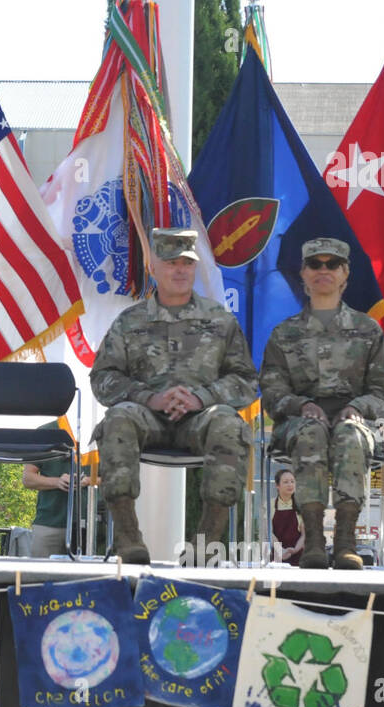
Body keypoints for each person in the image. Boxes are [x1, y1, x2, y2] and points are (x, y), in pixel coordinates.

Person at [90, 228, 259, 565]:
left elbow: (245, 380)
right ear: (153, 266)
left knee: (229, 424)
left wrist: (202, 397)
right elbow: (103, 377)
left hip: (201, 419)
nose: (180, 270)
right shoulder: (130, 321)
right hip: (147, 417)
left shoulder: (219, 320)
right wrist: (149, 398)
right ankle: (128, 539)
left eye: (187, 262)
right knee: (118, 418)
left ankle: (205, 544)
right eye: (171, 262)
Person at [260, 238, 384, 570]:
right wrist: (302, 405)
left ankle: (346, 542)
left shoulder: (368, 331)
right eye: (315, 264)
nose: (324, 270)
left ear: (345, 275)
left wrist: (358, 408)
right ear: (303, 275)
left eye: (332, 264)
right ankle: (315, 543)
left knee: (350, 435)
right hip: (299, 422)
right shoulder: (284, 334)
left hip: (354, 421)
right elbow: (271, 390)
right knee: (311, 432)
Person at [22, 420, 93, 558]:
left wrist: (88, 481)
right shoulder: (44, 432)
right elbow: (28, 479)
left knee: (87, 577)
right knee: (40, 575)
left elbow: (115, 477)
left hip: (90, 527)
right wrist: (58, 482)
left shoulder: (99, 431)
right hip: (49, 523)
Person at [270, 468, 306, 565]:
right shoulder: (270, 504)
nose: (290, 485)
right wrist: (280, 550)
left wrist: (294, 550)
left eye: (292, 481)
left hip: (298, 556)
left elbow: (304, 534)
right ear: (277, 486)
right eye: (285, 482)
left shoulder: (301, 505)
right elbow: (267, 532)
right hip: (276, 556)